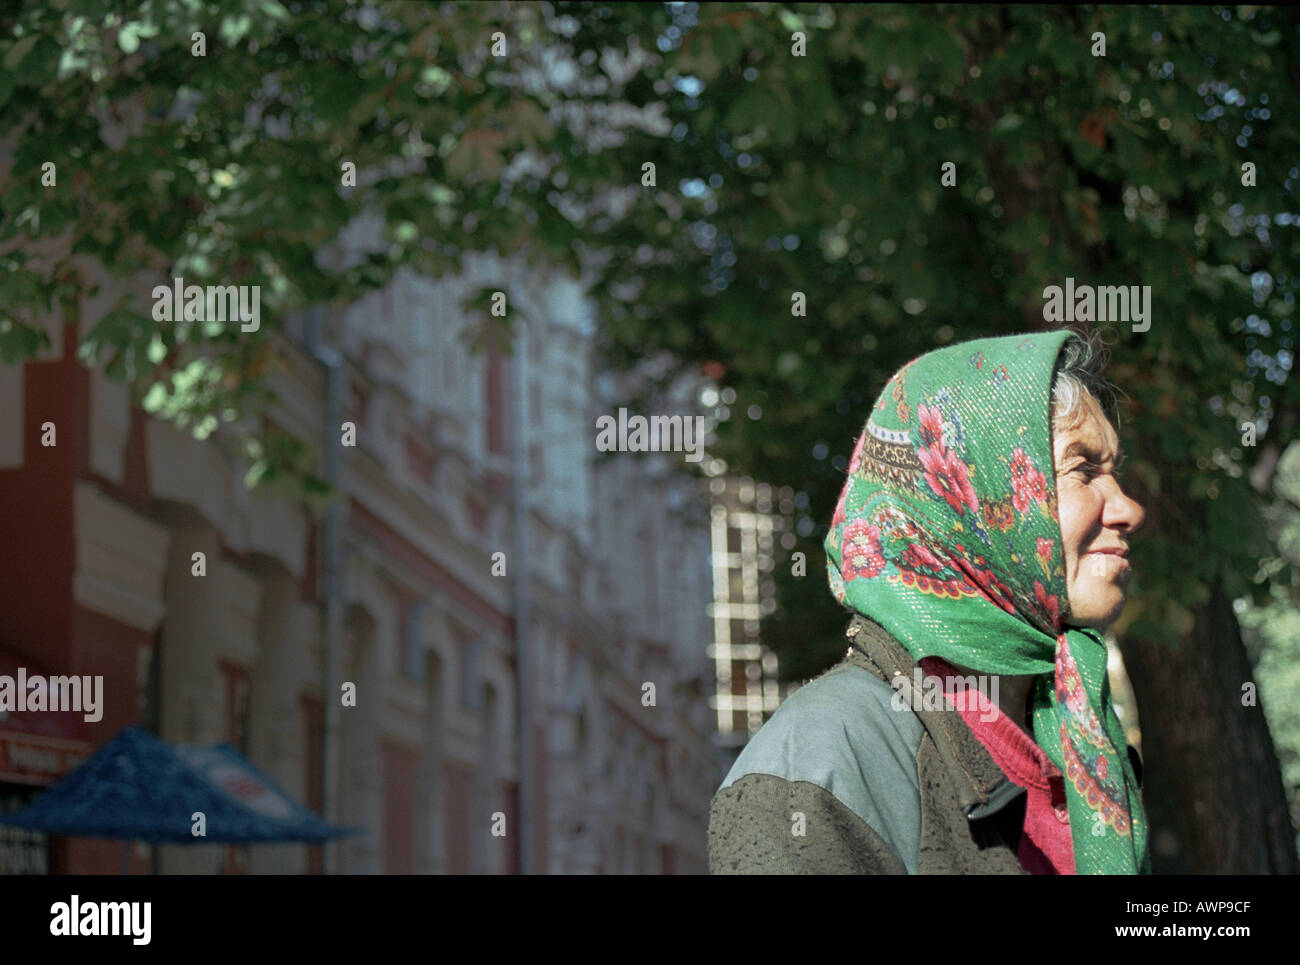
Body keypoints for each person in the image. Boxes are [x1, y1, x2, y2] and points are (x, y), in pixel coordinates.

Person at [708, 328, 1151, 874]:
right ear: (966, 497)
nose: (1127, 508)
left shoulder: (1078, 728)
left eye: (1114, 472)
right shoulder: (822, 760)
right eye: (1083, 470)